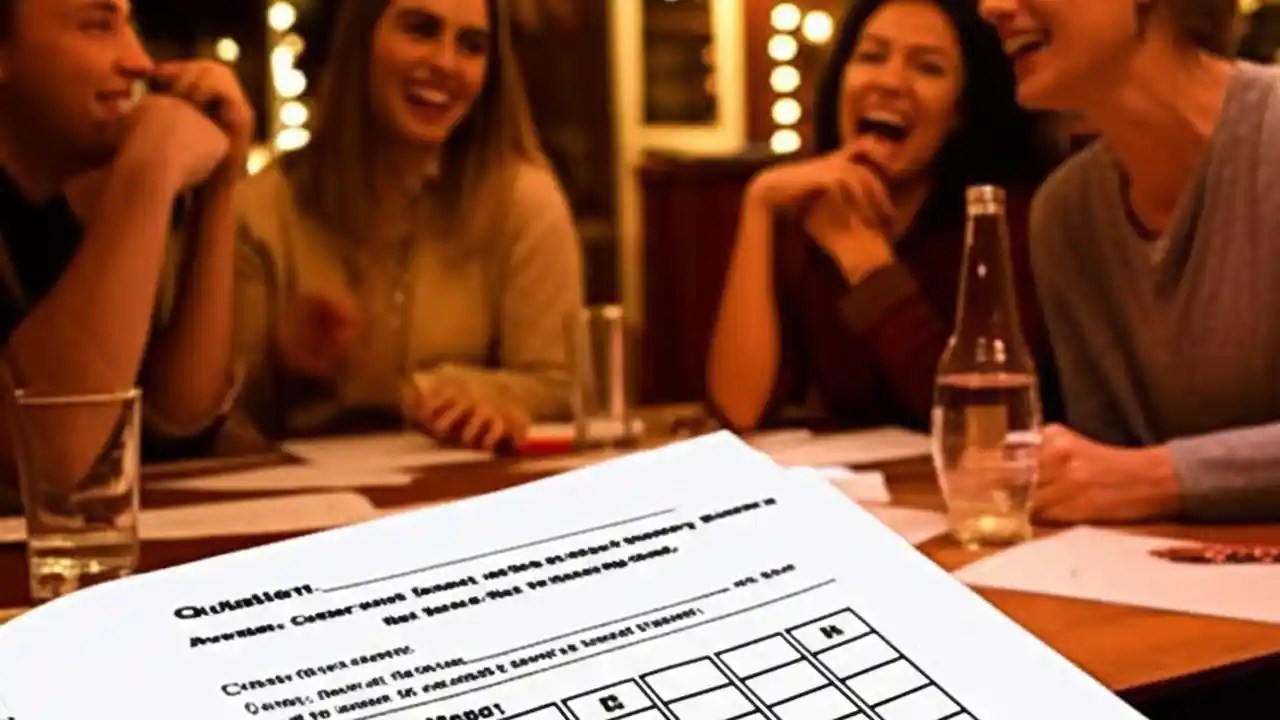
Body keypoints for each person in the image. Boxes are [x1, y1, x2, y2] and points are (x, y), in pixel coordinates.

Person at [233, 0, 584, 452]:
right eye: (420, 30)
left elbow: (562, 387)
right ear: (362, 41)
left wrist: (453, 396)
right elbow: (216, 424)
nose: (445, 63)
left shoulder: (525, 203)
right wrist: (281, 366)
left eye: (472, 45)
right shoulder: (263, 208)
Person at [978, 0, 1280, 523]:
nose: (991, 7)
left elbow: (1130, 479)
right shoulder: (1066, 214)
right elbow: (1105, 471)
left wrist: (1160, 478)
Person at [707, 0, 1059, 434]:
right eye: (871, 56)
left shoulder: (1002, 221)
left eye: (928, 68)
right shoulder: (810, 205)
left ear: (960, 111)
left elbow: (980, 423)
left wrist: (864, 260)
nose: (890, 82)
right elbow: (740, 410)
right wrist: (758, 205)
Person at [0, 0, 250, 489]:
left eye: (130, 24)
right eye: (98, 26)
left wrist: (220, 186)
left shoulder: (67, 208)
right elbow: (43, 457)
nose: (138, 60)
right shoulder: (120, 194)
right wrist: (150, 171)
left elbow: (178, 420)